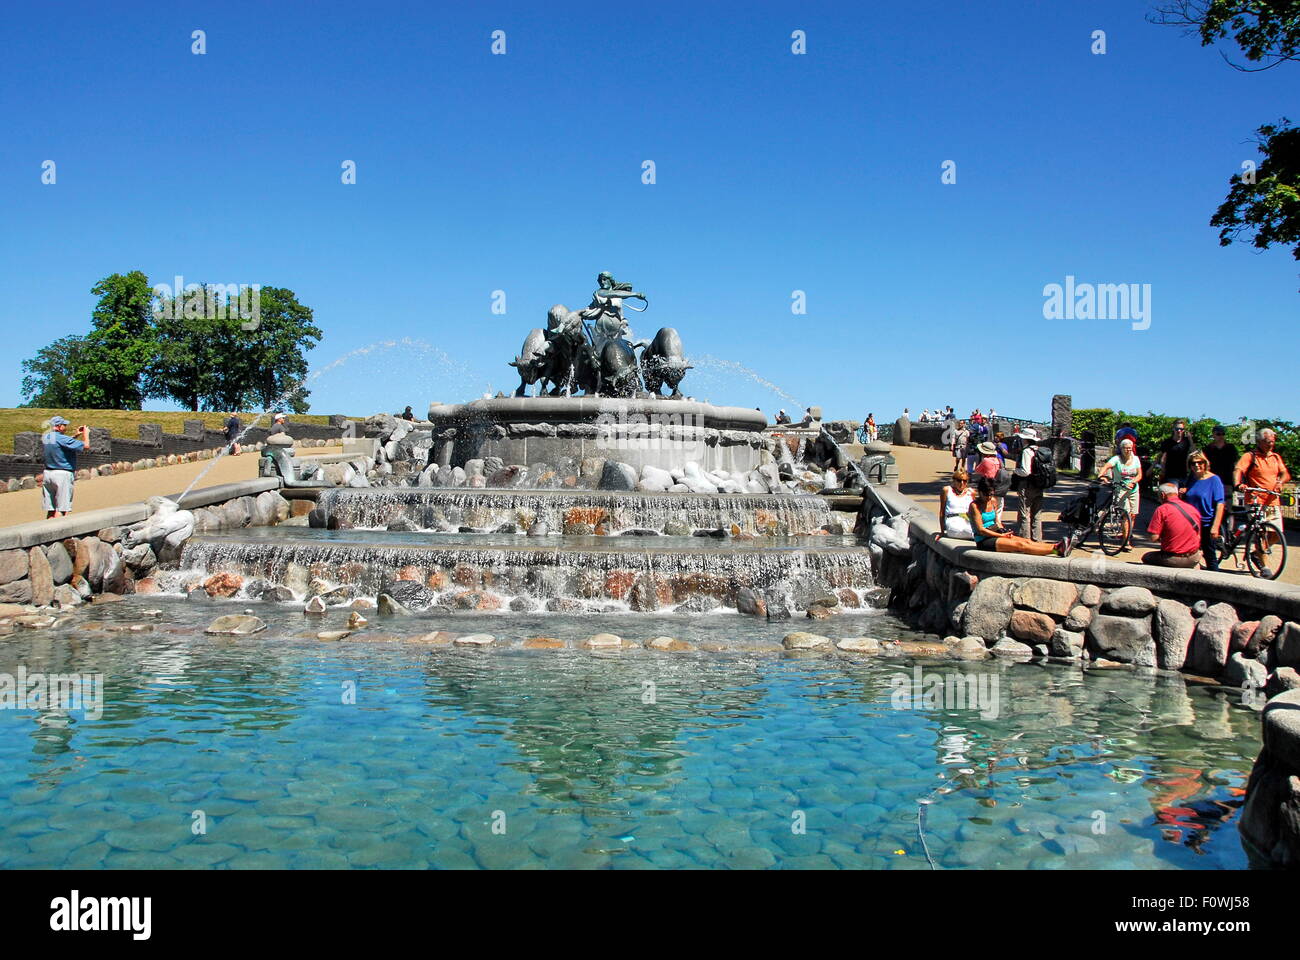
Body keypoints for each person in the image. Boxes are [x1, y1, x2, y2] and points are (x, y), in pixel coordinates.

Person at [969, 476, 1067, 556]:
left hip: (997, 533)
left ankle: (1057, 545)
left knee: (1027, 541)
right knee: (1020, 545)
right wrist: (1000, 535)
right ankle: (1056, 551)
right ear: (980, 492)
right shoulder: (974, 506)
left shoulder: (993, 501)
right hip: (984, 540)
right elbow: (980, 529)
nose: (988, 497)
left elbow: (997, 522)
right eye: (986, 495)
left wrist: (1003, 531)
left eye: (991, 494)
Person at [1234, 427, 1292, 553]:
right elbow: (1238, 470)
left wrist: (1280, 482)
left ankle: (1257, 553)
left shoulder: (1275, 457)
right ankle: (1264, 568)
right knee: (1261, 534)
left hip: (1272, 501)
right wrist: (1238, 484)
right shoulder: (1250, 456)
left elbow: (1285, 474)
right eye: (1268, 441)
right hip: (1255, 501)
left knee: (1277, 534)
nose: (1271, 444)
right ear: (1259, 442)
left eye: (1273, 441)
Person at [1143, 483, 1203, 567]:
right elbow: (1198, 536)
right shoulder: (1192, 509)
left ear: (1162, 495)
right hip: (1194, 557)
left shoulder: (1162, 509)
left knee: (1147, 557)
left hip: (1172, 558)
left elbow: (1153, 537)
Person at [41, 416, 90, 519]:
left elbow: (61, 444)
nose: (66, 427)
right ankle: (59, 533)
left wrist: (75, 435)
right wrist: (86, 434)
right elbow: (86, 446)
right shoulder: (62, 438)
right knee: (61, 509)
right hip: (62, 474)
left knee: (51, 509)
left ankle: (48, 531)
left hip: (48, 474)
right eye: (64, 425)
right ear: (58, 426)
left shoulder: (47, 437)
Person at [1184, 451, 1225, 571]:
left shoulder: (1214, 480)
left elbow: (1220, 504)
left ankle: (1215, 583)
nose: (1196, 465)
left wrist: (1215, 526)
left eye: (1199, 462)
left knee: (1209, 555)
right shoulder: (1191, 479)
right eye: (1193, 463)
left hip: (1206, 523)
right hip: (1190, 524)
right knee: (1188, 554)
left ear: (1205, 463)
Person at [1097, 437, 1143, 533]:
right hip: (1120, 490)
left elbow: (1139, 475)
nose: (1128, 450)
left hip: (1133, 490)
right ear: (1121, 449)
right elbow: (1106, 467)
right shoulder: (1116, 459)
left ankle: (1128, 535)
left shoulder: (1135, 459)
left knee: (1133, 515)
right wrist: (1101, 476)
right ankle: (1126, 541)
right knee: (1126, 515)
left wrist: (1133, 482)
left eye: (1130, 448)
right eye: (1125, 448)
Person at [1012, 427, 1047, 540]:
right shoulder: (1039, 450)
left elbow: (1026, 471)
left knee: (1024, 514)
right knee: (1037, 514)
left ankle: (1025, 539)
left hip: (1027, 485)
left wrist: (1015, 471)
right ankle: (1037, 539)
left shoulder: (1027, 451)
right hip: (1039, 485)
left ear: (1025, 440)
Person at [1203, 425, 1238, 506]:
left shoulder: (1231, 448)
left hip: (1227, 482)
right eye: (1218, 434)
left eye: (1223, 434)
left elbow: (1235, 465)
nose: (1221, 436)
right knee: (1213, 505)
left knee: (1228, 508)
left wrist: (1236, 482)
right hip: (1212, 482)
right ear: (1213, 435)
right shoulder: (1207, 449)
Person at [937, 469, 975, 540]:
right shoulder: (947, 490)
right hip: (952, 521)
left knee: (978, 530)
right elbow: (942, 512)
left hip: (968, 520)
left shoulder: (971, 492)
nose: (962, 483)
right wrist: (942, 531)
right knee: (969, 531)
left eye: (965, 481)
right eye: (959, 480)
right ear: (954, 480)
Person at [1159, 420, 1194, 491]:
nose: (1179, 431)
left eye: (1181, 429)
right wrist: (1163, 470)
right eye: (1177, 429)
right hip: (1171, 475)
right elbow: (1162, 458)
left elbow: (1194, 452)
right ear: (1173, 429)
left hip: (1183, 475)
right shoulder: (1167, 442)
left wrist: (1190, 439)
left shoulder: (1186, 442)